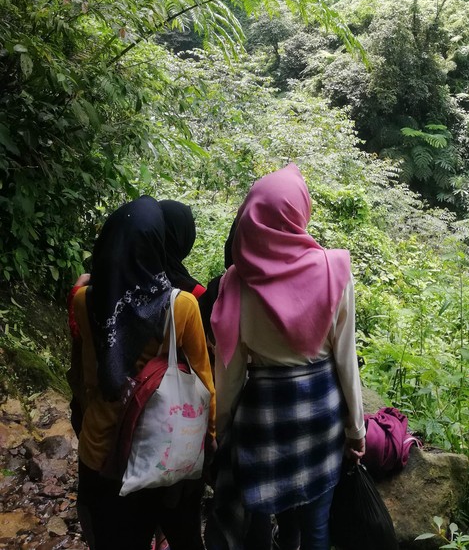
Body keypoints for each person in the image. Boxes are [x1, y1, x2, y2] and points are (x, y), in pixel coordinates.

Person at [206, 164, 365, 550]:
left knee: (258, 519)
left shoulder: (235, 282)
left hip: (262, 422)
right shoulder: (334, 270)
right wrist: (355, 430)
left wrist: (220, 427)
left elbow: (228, 373)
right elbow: (346, 361)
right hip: (320, 417)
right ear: (299, 212)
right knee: (316, 527)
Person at [70, 195, 216, 550]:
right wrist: (211, 438)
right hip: (164, 447)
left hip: (102, 452)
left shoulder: (83, 299)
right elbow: (204, 384)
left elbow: (84, 376)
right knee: (184, 536)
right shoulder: (181, 305)